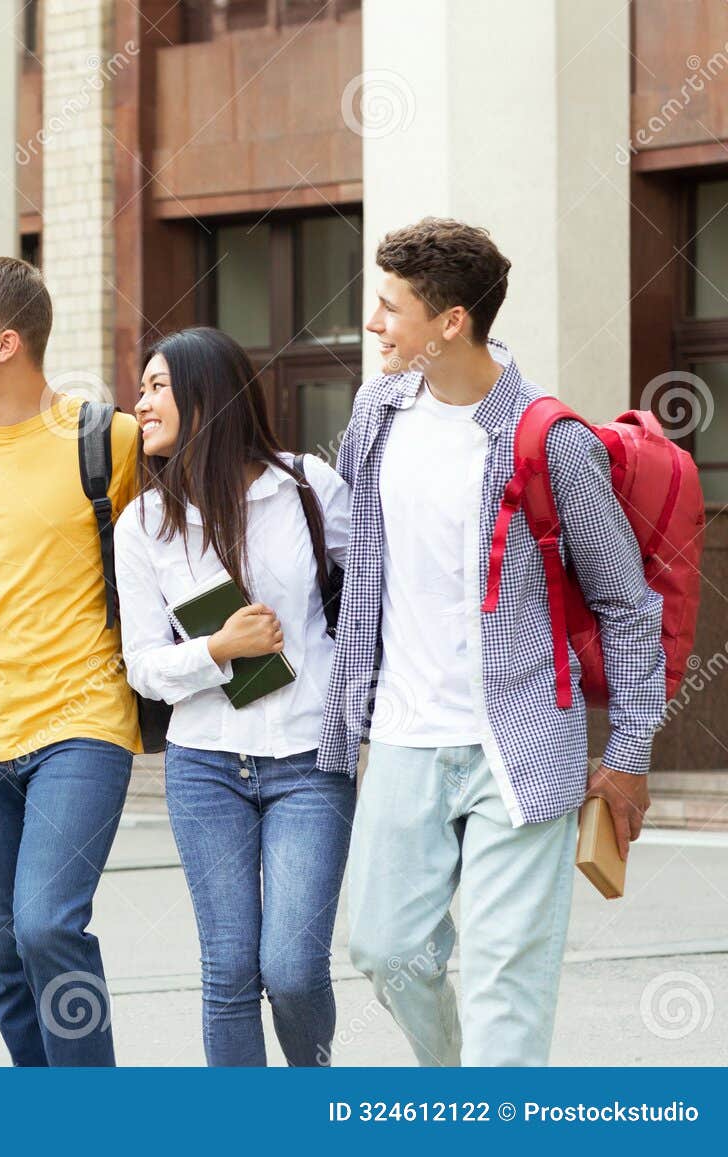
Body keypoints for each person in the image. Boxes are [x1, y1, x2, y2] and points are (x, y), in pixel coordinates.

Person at [320, 218, 665, 1065]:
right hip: (402, 736)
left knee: (505, 980)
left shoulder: (552, 441)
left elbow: (627, 602)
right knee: (385, 950)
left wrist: (628, 751)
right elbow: (357, 561)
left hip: (521, 742)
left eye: (390, 307)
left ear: (451, 322)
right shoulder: (378, 412)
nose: (373, 324)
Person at [115, 327, 353, 1066]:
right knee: (227, 971)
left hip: (309, 755)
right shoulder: (145, 523)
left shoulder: (309, 487)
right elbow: (144, 666)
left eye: (156, 387)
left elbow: (378, 594)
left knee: (292, 968)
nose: (141, 403)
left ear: (204, 394)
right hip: (206, 764)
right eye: (142, 387)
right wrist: (221, 650)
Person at [0, 256, 140, 1066]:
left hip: (82, 720)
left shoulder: (106, 439)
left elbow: (179, 550)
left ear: (7, 342)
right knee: (7, 959)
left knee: (47, 921)